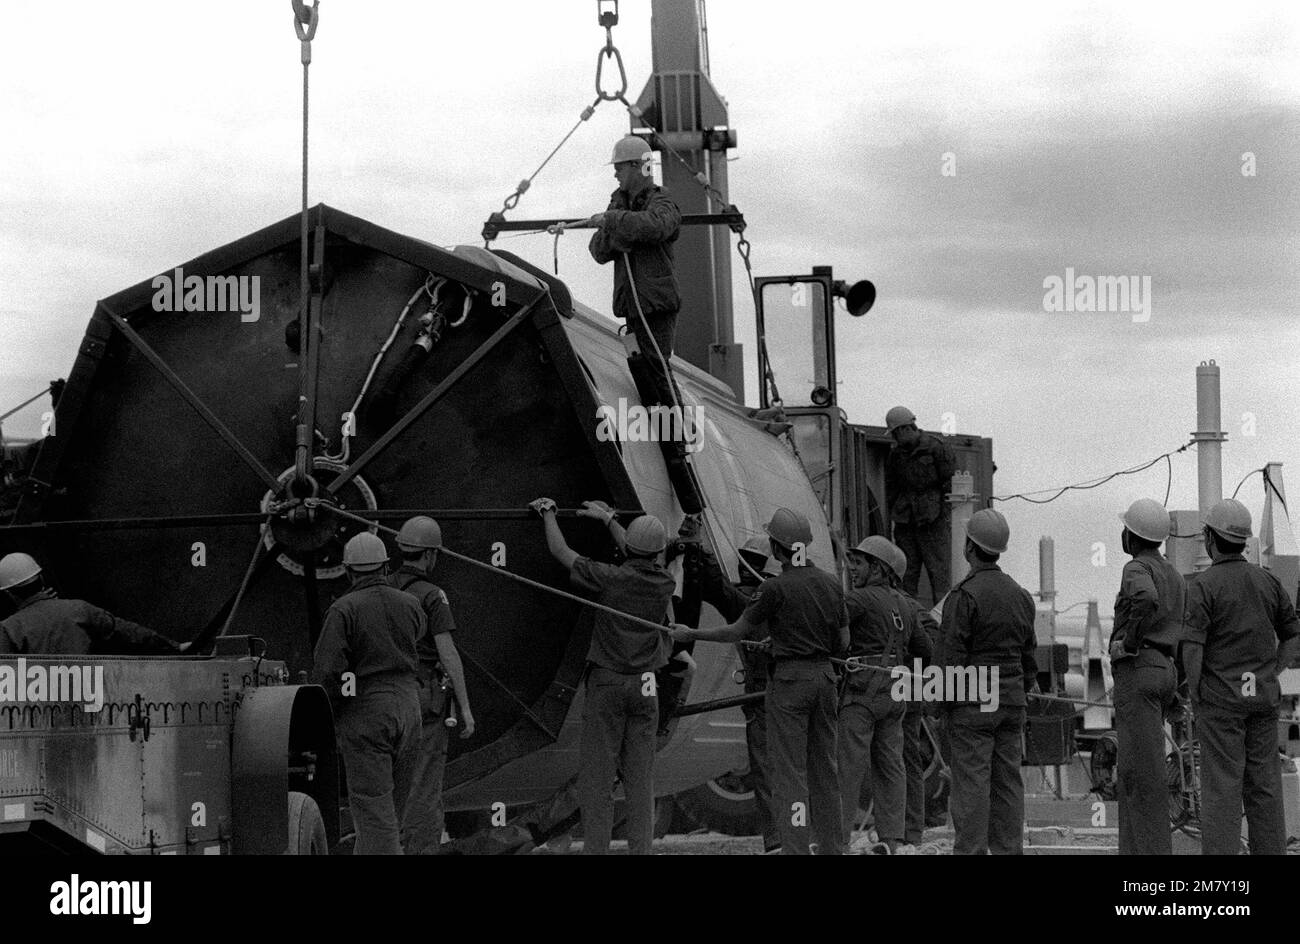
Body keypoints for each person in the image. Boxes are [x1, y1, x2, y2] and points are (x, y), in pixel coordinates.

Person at [672, 507, 848, 854]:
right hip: (825, 679)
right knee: (825, 769)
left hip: (789, 683)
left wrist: (690, 632)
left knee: (789, 775)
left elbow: (735, 630)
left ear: (776, 547)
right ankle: (833, 847)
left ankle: (794, 846)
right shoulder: (830, 583)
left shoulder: (774, 589)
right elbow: (842, 642)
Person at [531, 496, 675, 855]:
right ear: (658, 553)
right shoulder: (665, 583)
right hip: (646, 685)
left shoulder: (610, 579)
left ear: (628, 547)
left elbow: (561, 551)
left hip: (608, 682)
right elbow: (641, 552)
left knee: (598, 782)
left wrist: (548, 513)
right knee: (641, 782)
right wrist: (609, 519)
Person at [588, 135, 701, 516]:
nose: (616, 174)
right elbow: (598, 250)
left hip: (656, 304)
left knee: (656, 366)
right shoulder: (617, 204)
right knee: (644, 369)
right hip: (634, 307)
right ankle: (666, 432)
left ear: (637, 167)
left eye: (620, 167)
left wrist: (614, 224)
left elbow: (656, 227)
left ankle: (677, 437)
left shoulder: (662, 201)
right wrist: (614, 227)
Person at [1183, 498, 1300, 855]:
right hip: (1263, 701)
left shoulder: (1203, 586)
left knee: (1222, 790)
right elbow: (1293, 637)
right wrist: (1274, 670)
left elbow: (1192, 649)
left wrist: (1197, 691)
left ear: (1210, 538)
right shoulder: (1268, 581)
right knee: (1265, 789)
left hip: (1221, 704)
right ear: (1244, 541)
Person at [312, 532, 424, 855]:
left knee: (375, 814)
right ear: (386, 566)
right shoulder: (411, 603)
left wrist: (327, 718)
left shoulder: (343, 609)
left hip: (367, 711)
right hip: (408, 705)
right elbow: (418, 634)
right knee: (391, 811)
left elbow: (328, 669)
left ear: (348, 572)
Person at [935, 508, 1037, 855]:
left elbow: (950, 658)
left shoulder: (963, 596)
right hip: (1011, 703)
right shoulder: (1020, 595)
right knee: (1008, 783)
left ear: (969, 547)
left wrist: (940, 706)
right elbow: (1029, 657)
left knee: (971, 786)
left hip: (974, 705)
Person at [387, 515, 475, 856]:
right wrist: (466, 708)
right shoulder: (433, 595)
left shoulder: (381, 588)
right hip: (423, 697)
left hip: (383, 698)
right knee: (423, 786)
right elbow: (448, 654)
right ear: (430, 555)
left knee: (387, 782)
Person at [839, 536, 932, 853]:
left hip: (862, 690)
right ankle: (892, 839)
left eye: (859, 562)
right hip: (896, 694)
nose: (852, 568)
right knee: (892, 767)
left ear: (878, 568)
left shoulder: (858, 600)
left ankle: (836, 839)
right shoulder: (907, 605)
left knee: (847, 766)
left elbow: (827, 631)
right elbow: (926, 649)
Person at [1109, 498, 1185, 855]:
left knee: (1142, 777)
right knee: (1137, 772)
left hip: (1139, 672)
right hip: (1165, 670)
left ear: (1133, 536)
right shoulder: (1175, 574)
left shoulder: (1136, 568)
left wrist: (1129, 641)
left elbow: (1146, 599)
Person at [698, 535, 781, 853]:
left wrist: (700, 552)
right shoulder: (790, 592)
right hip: (792, 689)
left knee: (764, 763)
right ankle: (802, 830)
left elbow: (717, 590)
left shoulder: (751, 600)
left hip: (762, 691)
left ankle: (776, 835)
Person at [0, 552, 184, 654]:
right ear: (41, 578)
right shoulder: (79, 610)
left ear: (9, 593)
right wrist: (176, 646)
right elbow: (130, 633)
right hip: (88, 708)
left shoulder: (9, 629)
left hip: (37, 715)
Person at [883, 543, 943, 847]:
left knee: (902, 761)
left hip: (903, 692)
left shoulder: (907, 605)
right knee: (902, 760)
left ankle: (907, 832)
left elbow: (931, 642)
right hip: (898, 691)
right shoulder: (897, 603)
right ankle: (904, 832)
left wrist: (907, 664)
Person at [884, 406, 956, 602]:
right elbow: (891, 488)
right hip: (906, 523)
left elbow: (950, 485)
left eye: (895, 434)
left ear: (905, 429)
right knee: (905, 576)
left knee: (939, 577)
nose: (894, 439)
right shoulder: (896, 455)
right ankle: (909, 624)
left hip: (934, 522)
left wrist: (943, 515)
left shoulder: (937, 448)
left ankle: (942, 623)